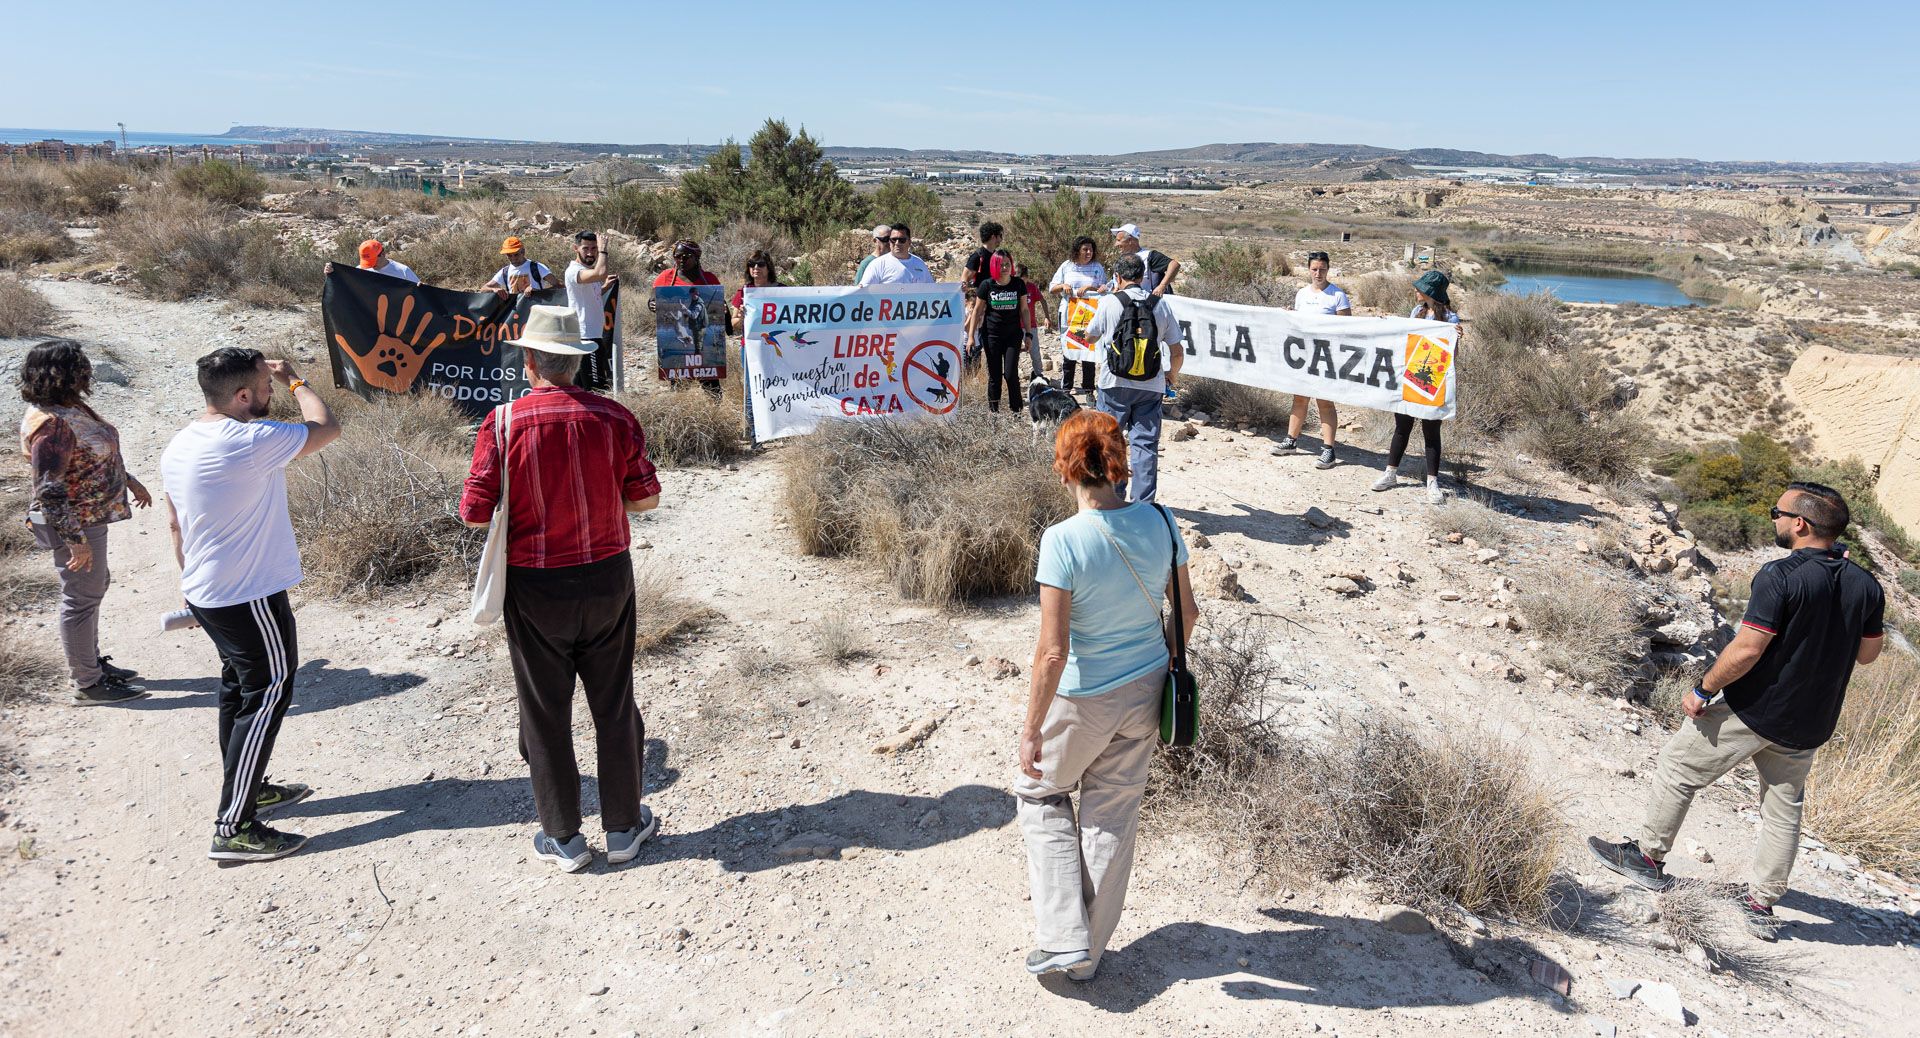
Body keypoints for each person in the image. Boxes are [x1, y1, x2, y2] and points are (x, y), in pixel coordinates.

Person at [1588, 482, 1884, 939]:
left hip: (1756, 707)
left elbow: (1747, 650)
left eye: (1777, 512)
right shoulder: (1866, 585)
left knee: (1678, 767)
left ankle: (1647, 857)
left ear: (1800, 524)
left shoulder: (1779, 576)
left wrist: (1703, 690)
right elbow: (1867, 655)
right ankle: (1761, 905)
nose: (1775, 519)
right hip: (1811, 721)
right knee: (1783, 811)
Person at [458, 305, 664, 872]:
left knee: (545, 710)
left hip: (535, 584)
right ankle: (623, 828)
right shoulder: (616, 418)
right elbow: (646, 498)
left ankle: (564, 838)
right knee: (614, 702)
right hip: (607, 575)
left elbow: (474, 514)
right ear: (576, 362)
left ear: (528, 361)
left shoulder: (502, 424)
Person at [1015, 409, 1197, 980]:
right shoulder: (1162, 522)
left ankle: (1064, 935)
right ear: (1118, 464)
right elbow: (1186, 614)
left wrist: (1030, 729)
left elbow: (1052, 651)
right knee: (1111, 815)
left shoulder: (1062, 541)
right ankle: (1086, 957)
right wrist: (1158, 660)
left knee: (1040, 793)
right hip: (1146, 689)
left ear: (1065, 468)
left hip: (1083, 697)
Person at [160, 348, 341, 862]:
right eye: (263, 385)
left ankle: (250, 787)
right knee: (269, 691)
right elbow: (326, 427)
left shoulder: (181, 442)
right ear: (242, 396)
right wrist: (297, 381)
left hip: (211, 591)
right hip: (248, 593)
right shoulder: (252, 439)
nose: (269, 391)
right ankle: (234, 825)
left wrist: (195, 587)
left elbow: (175, 525)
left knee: (239, 689)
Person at [17, 340, 152, 706]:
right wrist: (74, 540)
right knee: (80, 597)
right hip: (74, 522)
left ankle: (90, 665)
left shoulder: (68, 408)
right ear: (60, 372)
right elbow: (48, 488)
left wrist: (129, 479)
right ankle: (88, 684)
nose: (88, 370)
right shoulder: (52, 424)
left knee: (92, 588)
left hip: (87, 517)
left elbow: (94, 453)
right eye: (81, 365)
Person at [1078, 255, 1183, 503]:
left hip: (1113, 384)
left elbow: (1091, 337)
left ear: (1117, 277)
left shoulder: (1109, 303)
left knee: (1110, 444)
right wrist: (1171, 376)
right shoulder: (1160, 305)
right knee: (1145, 446)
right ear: (1142, 276)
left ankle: (1114, 498)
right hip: (1151, 385)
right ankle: (1143, 505)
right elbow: (1177, 351)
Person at [1370, 269, 1459, 505]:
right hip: (1410, 377)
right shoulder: (1416, 312)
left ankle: (1432, 483)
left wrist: (1456, 337)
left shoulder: (1450, 319)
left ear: (1431, 291)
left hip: (1433, 381)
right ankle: (1390, 473)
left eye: (1420, 287)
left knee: (1431, 431)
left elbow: (1453, 355)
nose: (1415, 290)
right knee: (1402, 427)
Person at [1278, 251, 1353, 468]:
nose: (1318, 273)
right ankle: (1291, 441)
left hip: (1326, 357)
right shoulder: (1301, 294)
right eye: (1314, 269)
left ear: (1328, 269)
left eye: (1322, 269)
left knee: (1325, 402)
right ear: (1308, 269)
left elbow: (1347, 329)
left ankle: (1329, 450)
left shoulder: (1338, 296)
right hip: (1303, 356)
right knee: (1300, 398)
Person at [649, 240, 731, 396]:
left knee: (712, 386)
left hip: (704, 339)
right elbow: (653, 299)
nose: (680, 260)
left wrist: (724, 311)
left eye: (685, 256)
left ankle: (714, 414)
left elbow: (721, 306)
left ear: (696, 257)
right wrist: (652, 304)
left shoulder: (709, 279)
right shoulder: (665, 278)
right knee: (679, 387)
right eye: (677, 256)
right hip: (676, 338)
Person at [965, 250, 1033, 413]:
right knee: (994, 377)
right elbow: (977, 311)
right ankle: (994, 413)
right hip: (991, 336)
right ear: (994, 266)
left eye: (1007, 264)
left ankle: (1016, 411)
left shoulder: (1018, 284)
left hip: (1012, 336)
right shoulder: (987, 285)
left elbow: (1024, 310)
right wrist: (971, 337)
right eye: (1001, 264)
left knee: (1010, 375)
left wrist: (1028, 334)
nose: (1004, 267)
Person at [1047, 236, 1107, 400]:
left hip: (1091, 315)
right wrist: (1063, 286)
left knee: (1089, 351)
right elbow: (1052, 288)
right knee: (1069, 350)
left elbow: (1105, 288)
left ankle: (1088, 390)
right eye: (1085, 249)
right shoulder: (1067, 266)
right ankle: (1066, 390)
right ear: (1077, 251)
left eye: (1091, 249)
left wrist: (1090, 286)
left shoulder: (1097, 267)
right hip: (1069, 314)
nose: (1088, 252)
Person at [564, 230, 619, 390]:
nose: (590, 253)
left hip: (592, 335)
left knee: (583, 389)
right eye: (585, 248)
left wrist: (604, 288)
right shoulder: (574, 271)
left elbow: (589, 294)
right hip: (585, 338)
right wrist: (603, 249)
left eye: (594, 249)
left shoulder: (587, 272)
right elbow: (600, 272)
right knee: (597, 390)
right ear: (576, 248)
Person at [1107, 223, 1180, 297]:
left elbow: (1174, 265)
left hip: (1148, 304)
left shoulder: (1149, 256)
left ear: (1130, 240)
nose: (1116, 244)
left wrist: (1162, 286)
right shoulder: (1121, 258)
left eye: (1119, 240)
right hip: (1127, 303)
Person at [857, 224, 933, 286]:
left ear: (909, 242)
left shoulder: (919, 263)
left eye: (902, 240)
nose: (897, 243)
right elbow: (864, 293)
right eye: (893, 240)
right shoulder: (877, 264)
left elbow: (932, 290)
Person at [322, 241, 421, 286]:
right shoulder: (360, 270)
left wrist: (423, 288)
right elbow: (347, 290)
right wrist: (331, 275)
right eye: (367, 262)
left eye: (373, 261)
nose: (371, 266)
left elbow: (420, 295)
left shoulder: (403, 271)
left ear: (383, 254)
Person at [1015, 261, 1052, 377]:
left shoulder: (1031, 287)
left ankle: (1039, 375)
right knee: (1014, 353)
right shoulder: (1012, 287)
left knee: (1034, 352)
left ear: (1026, 277)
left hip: (1031, 326)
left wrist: (1047, 317)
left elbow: (1042, 300)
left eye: (1022, 279)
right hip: (1014, 326)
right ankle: (1012, 376)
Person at [485, 236, 557, 296]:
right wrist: (494, 289)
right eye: (509, 255)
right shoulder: (504, 272)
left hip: (536, 310)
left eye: (516, 254)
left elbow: (559, 286)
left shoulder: (537, 267)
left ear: (523, 252)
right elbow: (484, 289)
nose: (513, 258)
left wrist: (537, 291)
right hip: (516, 312)